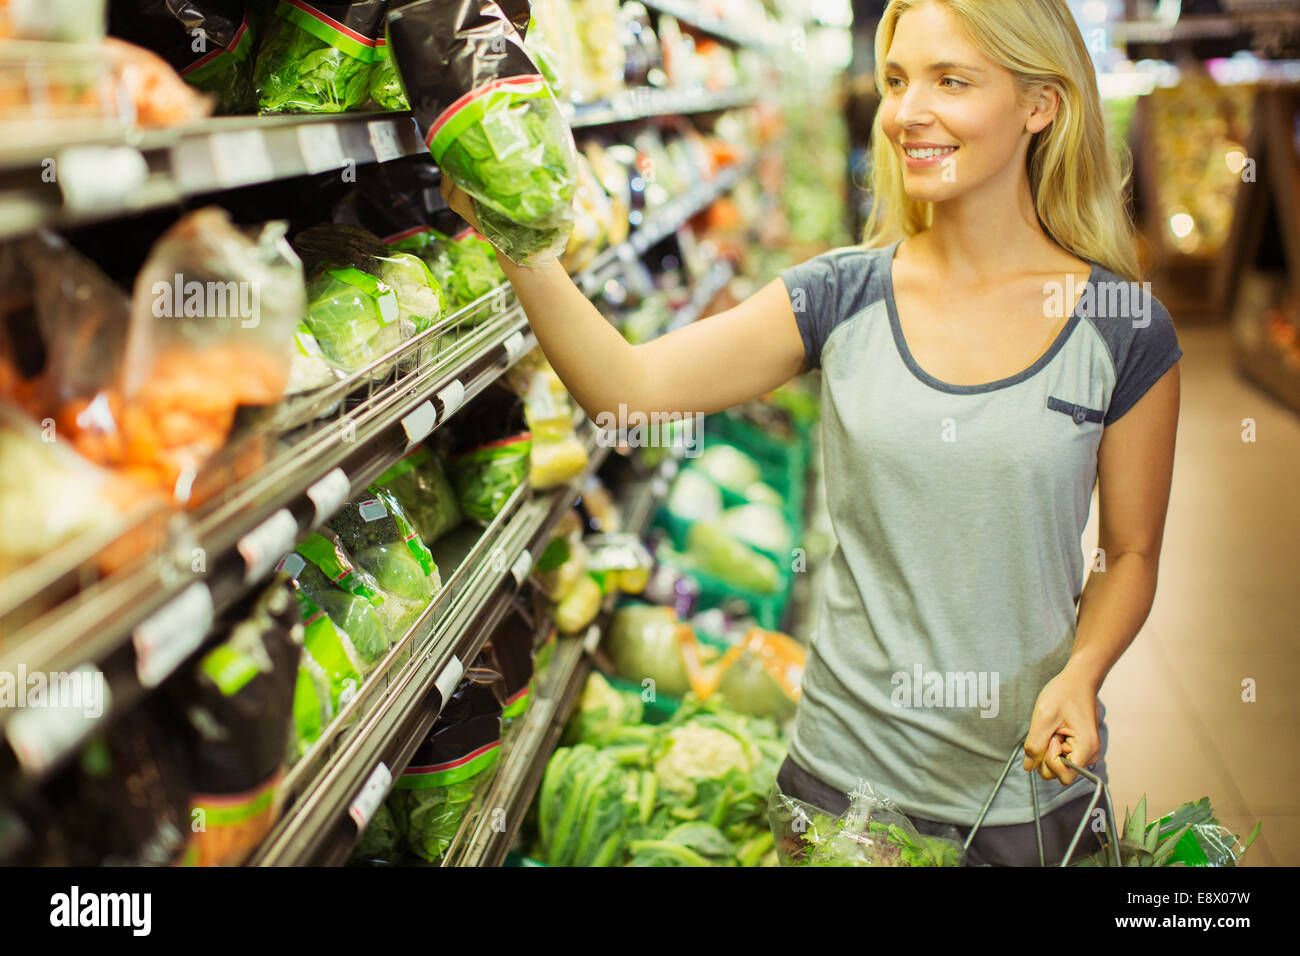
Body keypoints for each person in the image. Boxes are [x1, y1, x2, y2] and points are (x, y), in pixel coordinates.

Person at [440, 0, 1182, 866]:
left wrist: (1083, 672)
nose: (909, 112)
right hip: (841, 788)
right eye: (899, 80)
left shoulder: (1123, 329)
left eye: (953, 81)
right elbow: (629, 393)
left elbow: (1129, 554)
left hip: (1027, 797)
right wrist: (518, 242)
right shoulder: (841, 296)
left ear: (1039, 105)